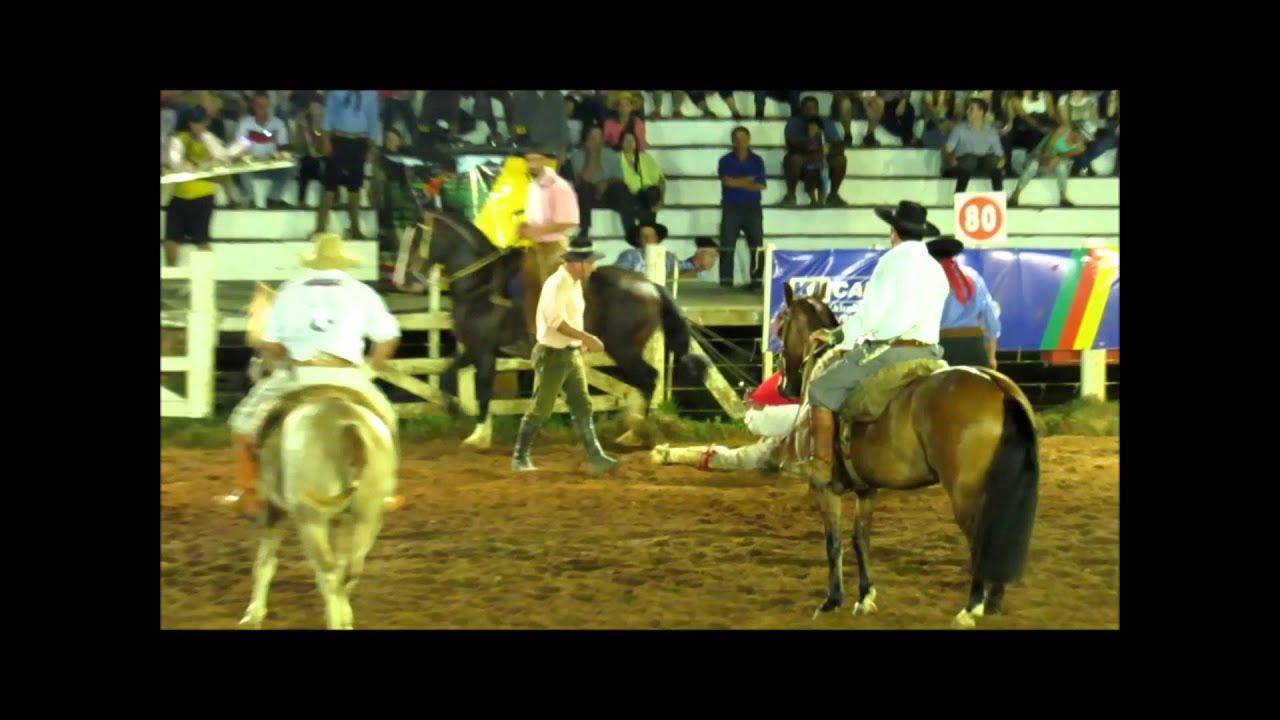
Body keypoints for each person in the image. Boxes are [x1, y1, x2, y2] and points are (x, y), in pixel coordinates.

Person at [221, 233, 403, 516]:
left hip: (300, 374)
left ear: (313, 263)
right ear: (344, 264)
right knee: (386, 421)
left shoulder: (290, 291)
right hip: (346, 374)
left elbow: (272, 343)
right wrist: (368, 371)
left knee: (243, 423)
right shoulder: (362, 292)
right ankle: (382, 490)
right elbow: (387, 338)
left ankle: (248, 490)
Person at [787, 201, 950, 484]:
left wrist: (837, 336)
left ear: (893, 232)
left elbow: (869, 315)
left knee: (821, 388)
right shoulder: (936, 269)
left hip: (892, 352)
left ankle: (821, 463)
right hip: (931, 352)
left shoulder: (890, 261)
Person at [511, 236, 619, 476]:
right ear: (578, 263)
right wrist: (586, 338)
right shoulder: (557, 284)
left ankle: (596, 455)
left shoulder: (572, 283)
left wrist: (576, 342)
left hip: (567, 353)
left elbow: (566, 319)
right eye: (591, 261)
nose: (593, 266)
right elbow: (556, 321)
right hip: (553, 354)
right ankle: (519, 457)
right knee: (542, 407)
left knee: (582, 404)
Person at [651, 370, 801, 472]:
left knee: (740, 458)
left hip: (777, 423)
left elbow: (759, 422)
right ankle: (672, 455)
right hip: (785, 427)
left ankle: (670, 454)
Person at [518, 145, 581, 342]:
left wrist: (538, 231)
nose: (532, 164)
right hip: (535, 246)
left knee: (551, 293)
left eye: (536, 159)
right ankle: (532, 335)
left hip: (553, 247)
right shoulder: (533, 186)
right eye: (529, 160)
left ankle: (558, 337)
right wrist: (527, 227)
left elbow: (569, 220)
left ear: (546, 160)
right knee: (528, 288)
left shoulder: (559, 186)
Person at [927, 236, 1001, 369]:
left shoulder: (928, 279)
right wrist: (991, 357)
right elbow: (991, 320)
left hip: (941, 348)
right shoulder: (974, 277)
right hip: (974, 347)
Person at [614, 224, 717, 280]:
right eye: (644, 236)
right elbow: (618, 274)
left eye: (651, 235)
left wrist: (698, 260)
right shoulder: (630, 255)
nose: (648, 239)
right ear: (638, 240)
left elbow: (684, 267)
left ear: (656, 238)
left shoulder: (667, 256)